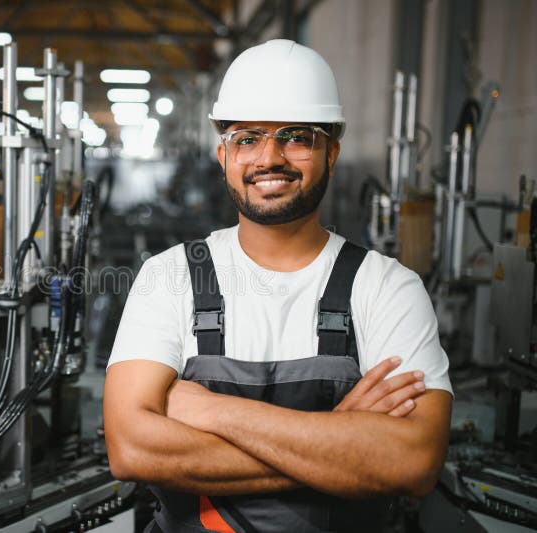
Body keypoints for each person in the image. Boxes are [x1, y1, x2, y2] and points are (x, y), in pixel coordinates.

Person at [103, 39, 452, 533]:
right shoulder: (169, 276)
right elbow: (131, 448)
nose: (270, 157)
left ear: (331, 151)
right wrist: (339, 441)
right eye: (247, 138)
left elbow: (413, 463)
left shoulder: (387, 287)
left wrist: (207, 409)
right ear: (223, 154)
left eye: (297, 136)